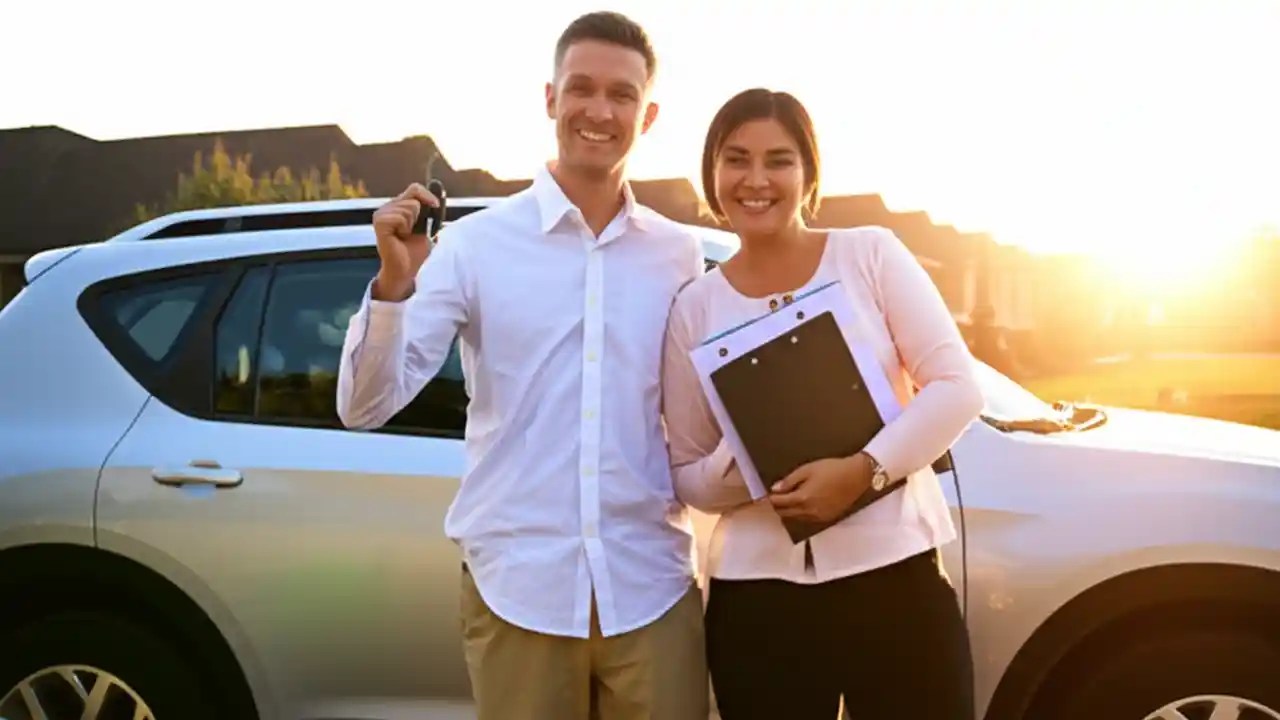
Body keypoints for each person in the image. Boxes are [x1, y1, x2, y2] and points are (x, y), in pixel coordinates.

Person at [335, 11, 709, 720]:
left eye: (622, 95)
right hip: (518, 591)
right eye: (582, 89)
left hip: (651, 587)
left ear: (649, 114)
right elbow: (364, 407)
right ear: (550, 99)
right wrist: (392, 286)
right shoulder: (475, 246)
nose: (600, 111)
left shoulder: (678, 255)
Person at [661, 87, 985, 719]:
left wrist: (864, 472)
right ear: (713, 173)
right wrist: (748, 459)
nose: (757, 180)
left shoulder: (870, 254)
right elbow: (686, 472)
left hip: (897, 582)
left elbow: (956, 387)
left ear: (809, 174)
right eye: (737, 159)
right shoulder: (692, 308)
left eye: (779, 160)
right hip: (759, 605)